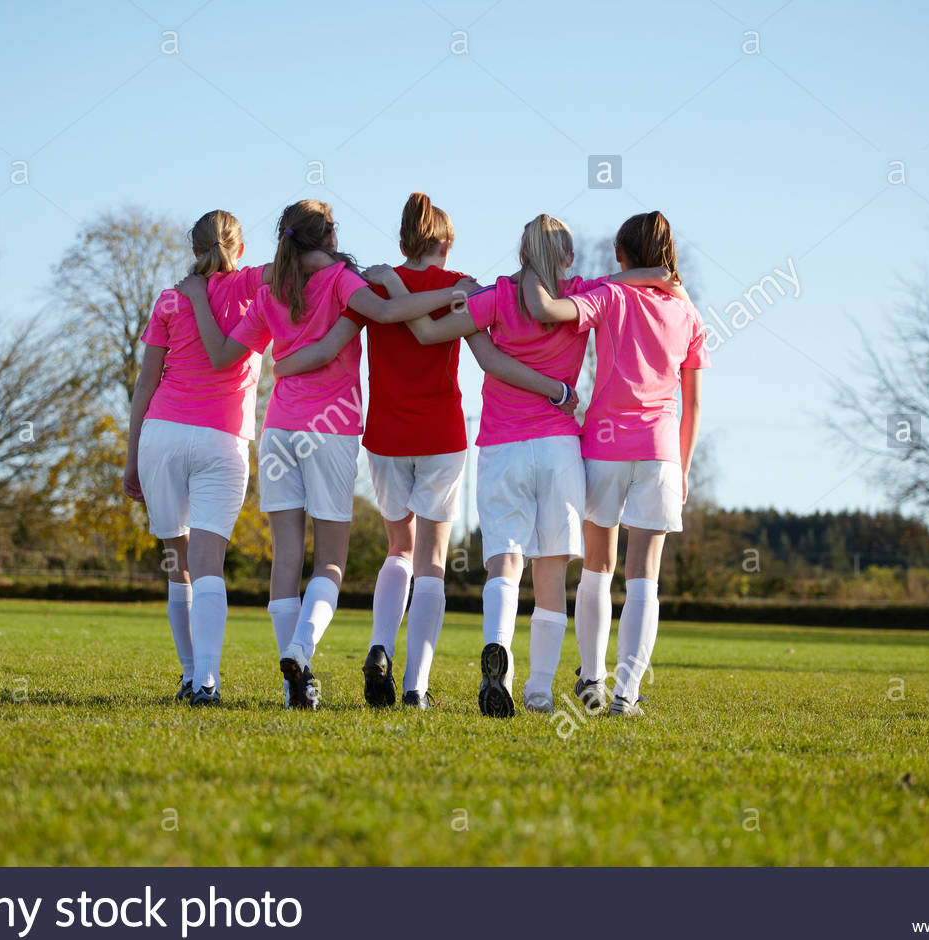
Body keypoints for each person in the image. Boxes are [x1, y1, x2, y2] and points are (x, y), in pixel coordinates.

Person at [272, 192, 577, 710]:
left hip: (386, 436)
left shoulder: (374, 284)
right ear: (446, 241)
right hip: (440, 434)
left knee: (399, 551)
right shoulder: (458, 288)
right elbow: (488, 350)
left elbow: (341, 336)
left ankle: (379, 646)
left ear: (403, 239)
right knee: (432, 564)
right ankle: (415, 687)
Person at [177, 199, 478, 709]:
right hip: (330, 431)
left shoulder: (276, 287)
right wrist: (452, 292)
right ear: (331, 235)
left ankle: (297, 689)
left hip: (278, 431)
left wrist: (201, 300)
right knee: (331, 562)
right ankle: (301, 648)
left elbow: (225, 354)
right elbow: (385, 312)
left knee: (285, 559)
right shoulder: (343, 280)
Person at [390, 214, 680, 716]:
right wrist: (665, 277)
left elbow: (427, 334)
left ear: (521, 254)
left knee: (504, 560)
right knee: (550, 570)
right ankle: (539, 690)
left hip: (501, 447)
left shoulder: (497, 296)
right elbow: (634, 283)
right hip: (559, 447)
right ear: (567, 258)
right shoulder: (582, 292)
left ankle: (498, 647)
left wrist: (445, 314)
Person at [522, 210, 706, 716]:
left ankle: (592, 680)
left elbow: (554, 312)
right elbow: (693, 406)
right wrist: (684, 469)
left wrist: (611, 279)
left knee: (597, 570)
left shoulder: (609, 294)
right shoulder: (688, 315)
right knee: (644, 574)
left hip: (602, 447)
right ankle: (626, 694)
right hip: (662, 451)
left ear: (621, 256)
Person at [122, 209, 270, 706]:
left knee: (175, 564)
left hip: (160, 436)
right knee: (209, 565)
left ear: (192, 249)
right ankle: (208, 680)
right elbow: (298, 268)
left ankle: (189, 676)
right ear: (240, 247)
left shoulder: (170, 298)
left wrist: (130, 456)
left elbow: (145, 384)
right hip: (222, 440)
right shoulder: (252, 285)